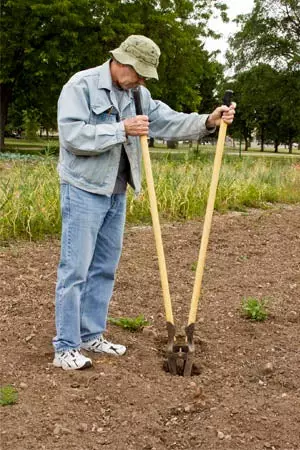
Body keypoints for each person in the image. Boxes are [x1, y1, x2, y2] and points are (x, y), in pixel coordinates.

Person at [53, 35, 235, 370]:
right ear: (122, 61)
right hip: (83, 189)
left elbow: (166, 120)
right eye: (139, 73)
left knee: (104, 268)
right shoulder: (80, 86)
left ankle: (91, 335)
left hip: (117, 191)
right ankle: (65, 346)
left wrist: (208, 121)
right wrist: (121, 129)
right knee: (75, 269)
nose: (142, 80)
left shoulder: (139, 94)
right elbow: (73, 136)